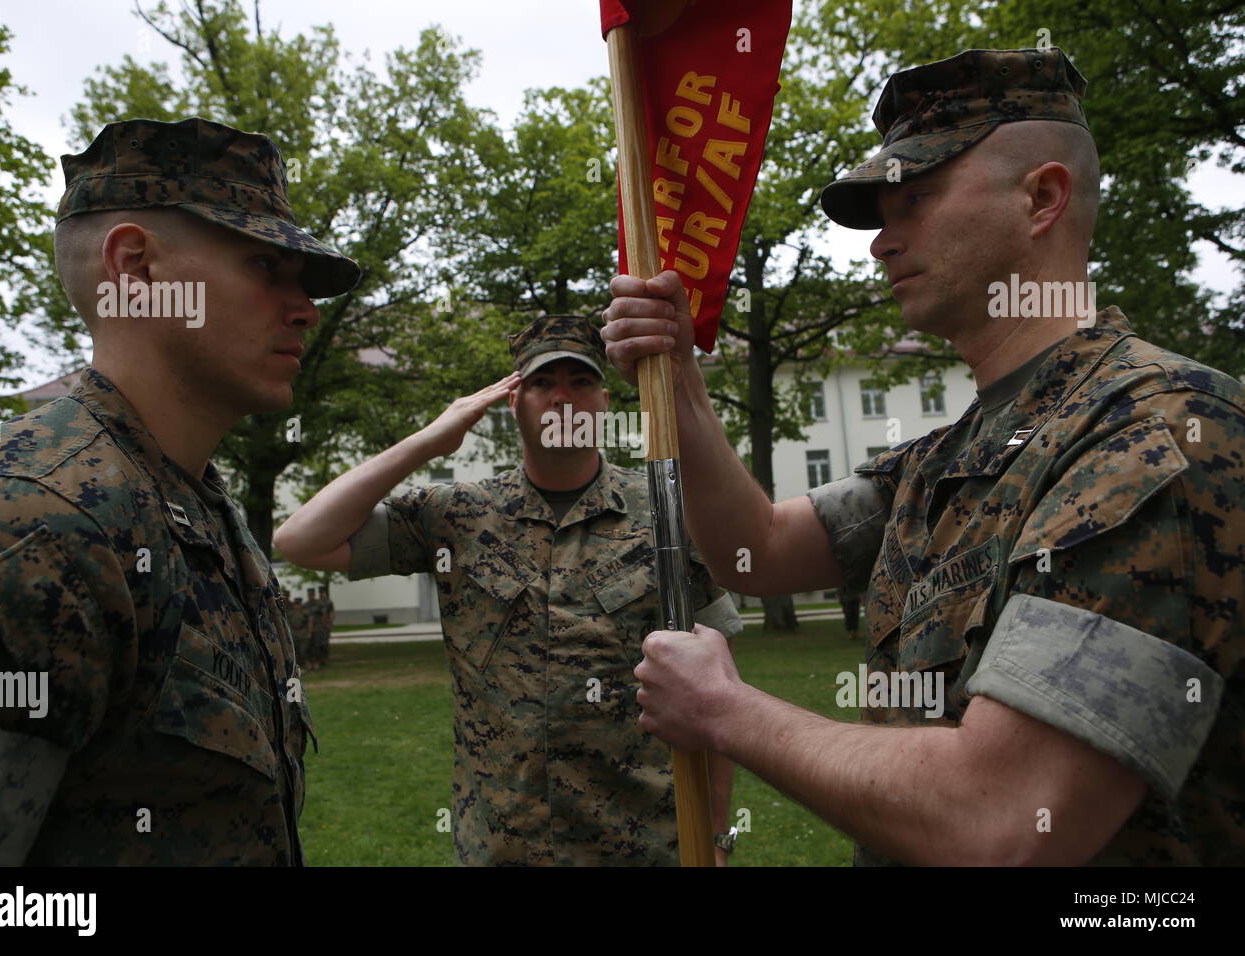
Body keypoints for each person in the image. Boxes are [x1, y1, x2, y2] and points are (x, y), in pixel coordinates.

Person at [600, 48, 1243, 865]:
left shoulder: (1160, 431)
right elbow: (752, 549)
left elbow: (1008, 818)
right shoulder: (951, 455)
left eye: (915, 200)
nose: (882, 243)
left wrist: (728, 711)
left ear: (1042, 198)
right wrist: (682, 381)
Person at [0, 117, 359, 864]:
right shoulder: (24, 526)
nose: (305, 310)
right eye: (267, 268)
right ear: (135, 269)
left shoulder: (199, 511)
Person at [274, 315, 744, 865]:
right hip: (501, 845)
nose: (563, 398)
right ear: (513, 403)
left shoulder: (667, 513)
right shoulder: (458, 514)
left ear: (606, 403)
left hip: (644, 843)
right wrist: (431, 439)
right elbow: (299, 540)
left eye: (582, 381)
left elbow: (717, 688)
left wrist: (714, 837)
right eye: (543, 383)